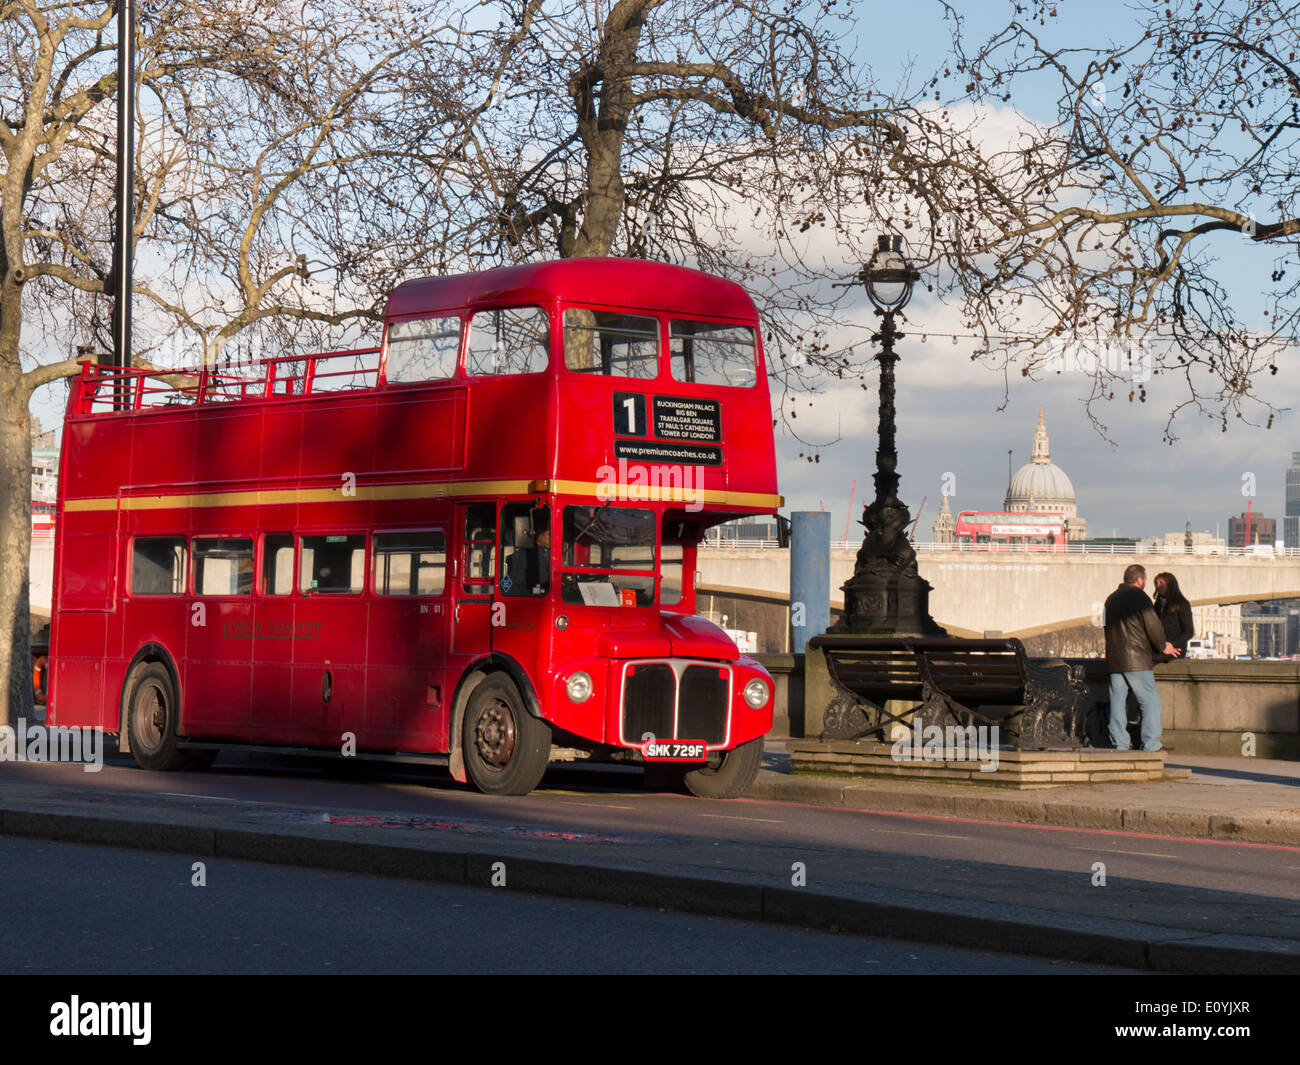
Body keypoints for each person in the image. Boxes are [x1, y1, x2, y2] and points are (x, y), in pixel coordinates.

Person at [1104, 563, 1179, 751]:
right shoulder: (1140, 598)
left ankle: (1120, 742)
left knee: (1117, 701)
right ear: (1139, 580)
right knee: (1150, 700)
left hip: (1115, 658)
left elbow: (1106, 628)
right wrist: (1163, 646)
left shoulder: (1110, 599)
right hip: (1136, 659)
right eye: (1144, 579)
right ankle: (1151, 743)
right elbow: (1153, 626)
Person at [1152, 571, 1195, 663]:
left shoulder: (1182, 604)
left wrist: (1172, 645)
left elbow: (1189, 631)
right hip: (1161, 647)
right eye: (1156, 583)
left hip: (1176, 649)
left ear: (1170, 585)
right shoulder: (1158, 604)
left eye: (1161, 583)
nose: (1157, 586)